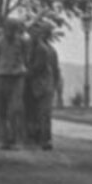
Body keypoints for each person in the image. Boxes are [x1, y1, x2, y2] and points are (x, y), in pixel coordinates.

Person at [0, 17, 29, 150]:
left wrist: (22, 68)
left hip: (17, 77)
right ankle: (5, 139)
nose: (11, 32)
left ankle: (15, 139)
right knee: (2, 110)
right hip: (1, 76)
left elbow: (26, 57)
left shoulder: (22, 42)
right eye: (9, 28)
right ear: (5, 29)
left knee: (15, 109)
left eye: (14, 29)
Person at [22, 22, 64, 150]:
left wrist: (56, 87)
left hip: (43, 84)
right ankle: (34, 137)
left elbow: (43, 69)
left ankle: (44, 139)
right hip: (31, 85)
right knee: (32, 113)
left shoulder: (46, 50)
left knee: (44, 113)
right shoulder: (28, 47)